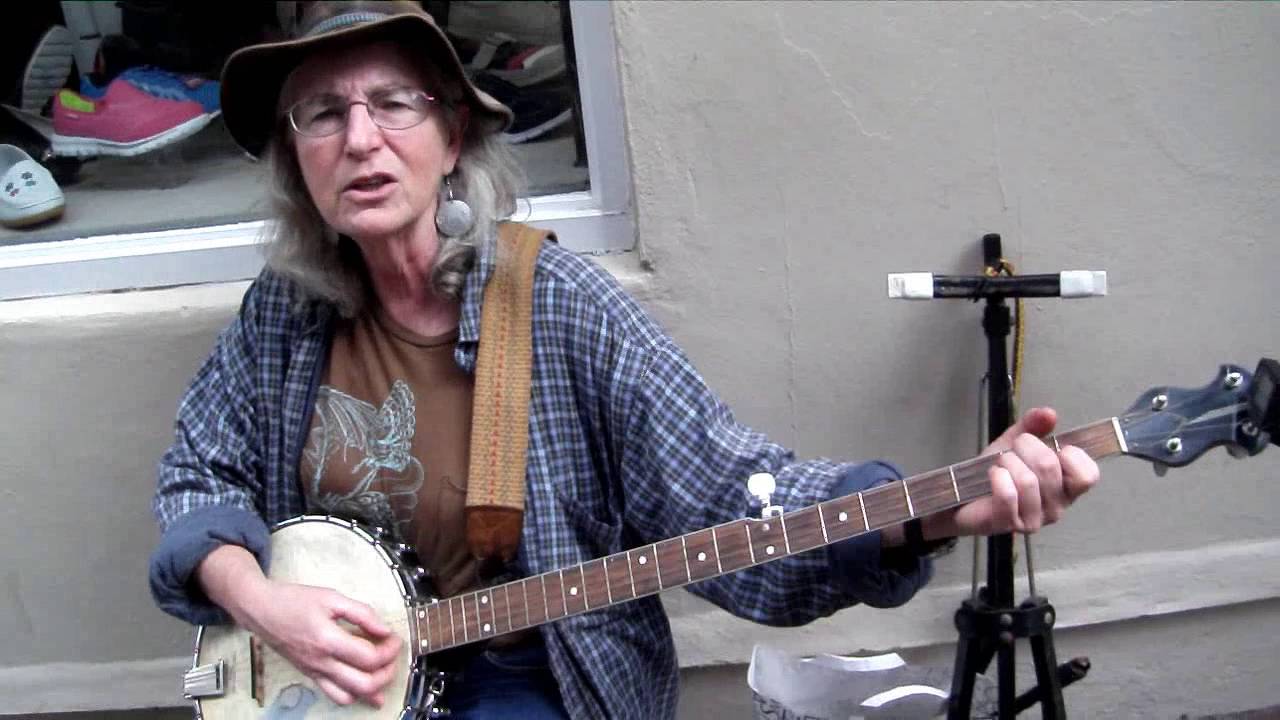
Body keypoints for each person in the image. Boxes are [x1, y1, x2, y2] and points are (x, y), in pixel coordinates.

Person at [149, 3, 1100, 719]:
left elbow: (729, 494)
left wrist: (926, 515)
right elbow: (200, 471)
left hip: (526, 677)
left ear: (452, 140)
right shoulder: (284, 314)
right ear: (295, 156)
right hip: (325, 684)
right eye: (322, 113)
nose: (361, 139)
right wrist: (262, 603)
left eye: (394, 103)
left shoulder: (559, 305)